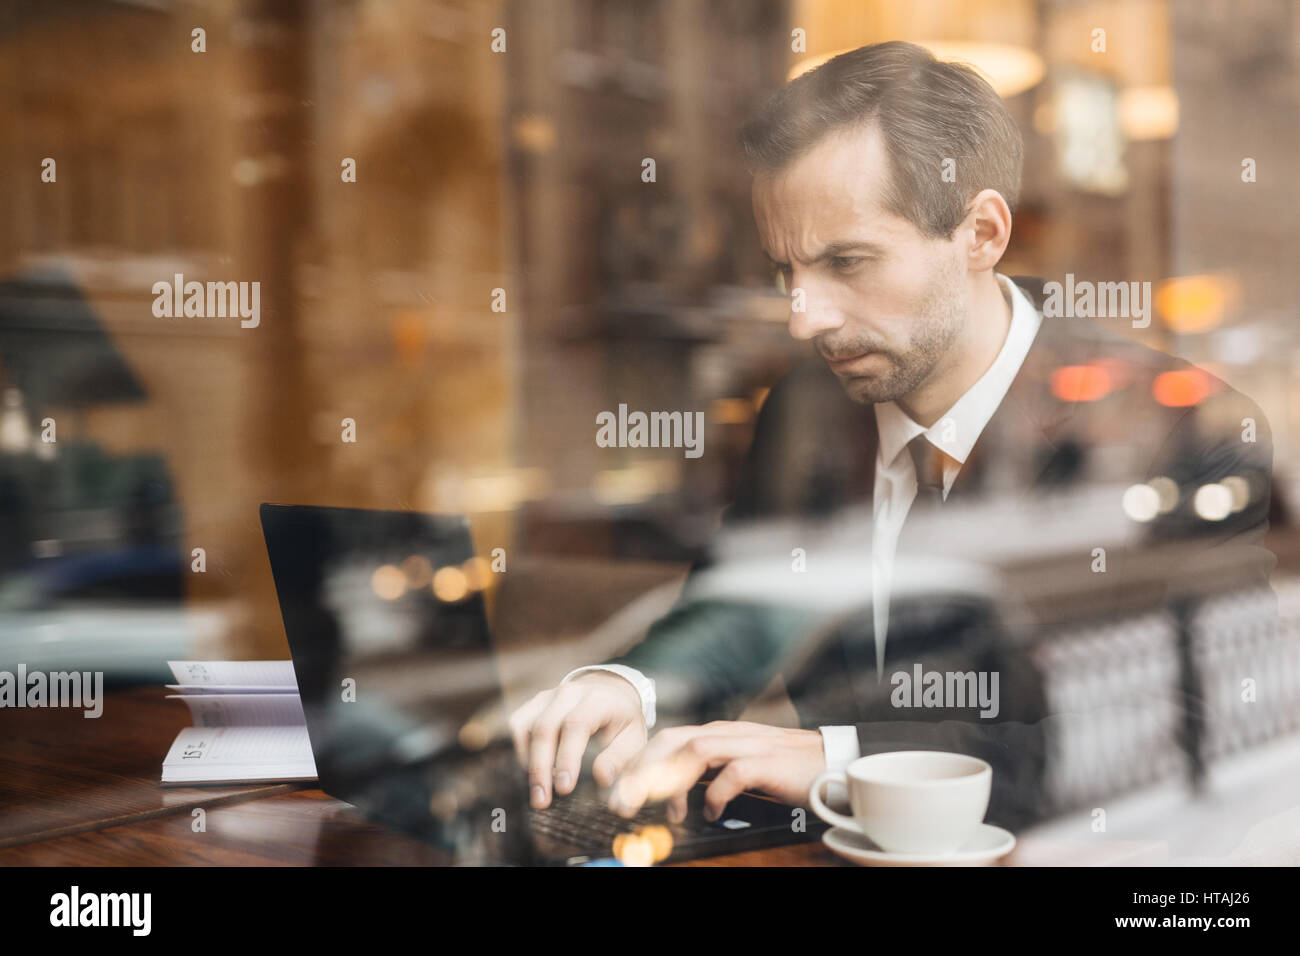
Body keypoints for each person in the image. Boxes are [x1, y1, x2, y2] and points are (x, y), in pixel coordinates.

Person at [509, 41, 1275, 831]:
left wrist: (840, 758)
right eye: (787, 272)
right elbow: (748, 607)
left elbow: (1157, 747)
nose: (805, 318)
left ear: (981, 233)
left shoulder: (1184, 433)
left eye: (848, 261)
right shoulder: (804, 408)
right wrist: (630, 684)